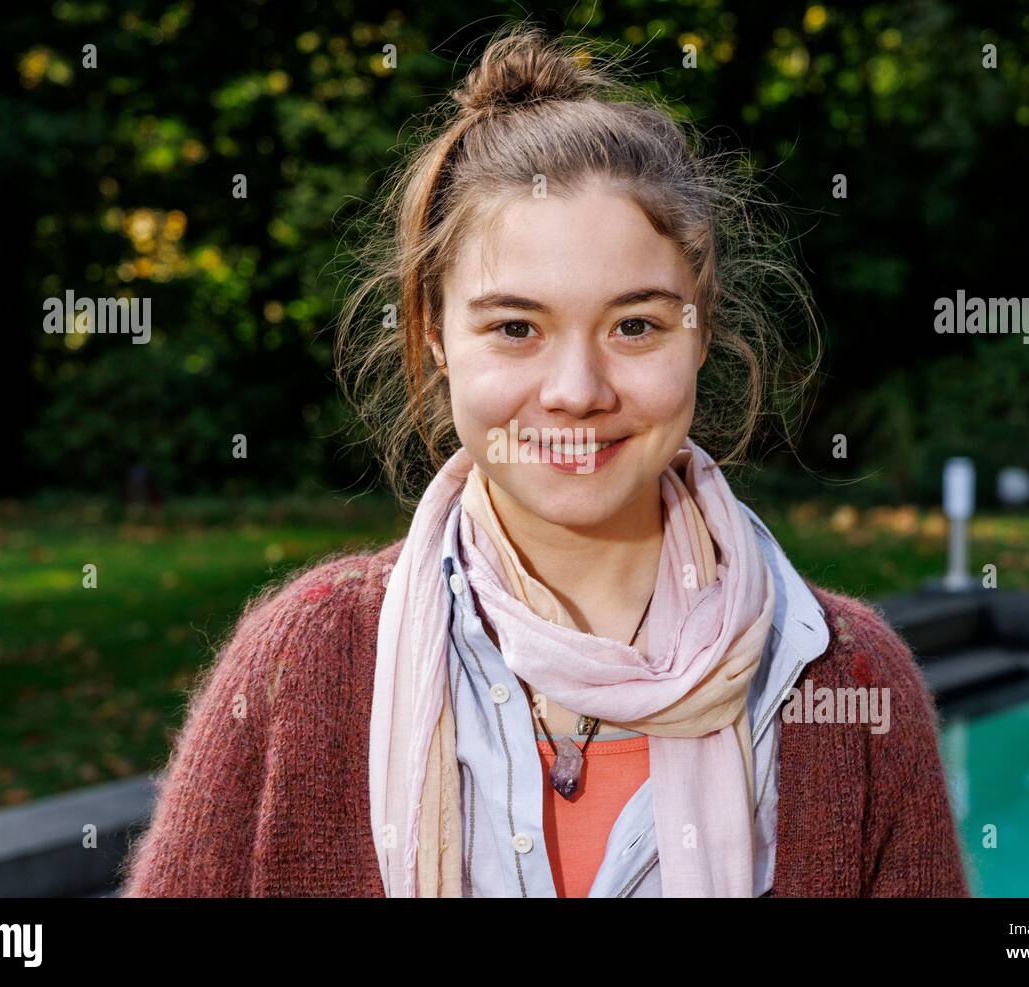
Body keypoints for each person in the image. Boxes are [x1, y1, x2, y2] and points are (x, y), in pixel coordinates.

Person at [120, 24, 969, 898]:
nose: (576, 389)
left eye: (634, 325)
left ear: (701, 329)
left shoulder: (851, 681)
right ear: (433, 336)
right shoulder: (302, 665)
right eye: (515, 328)